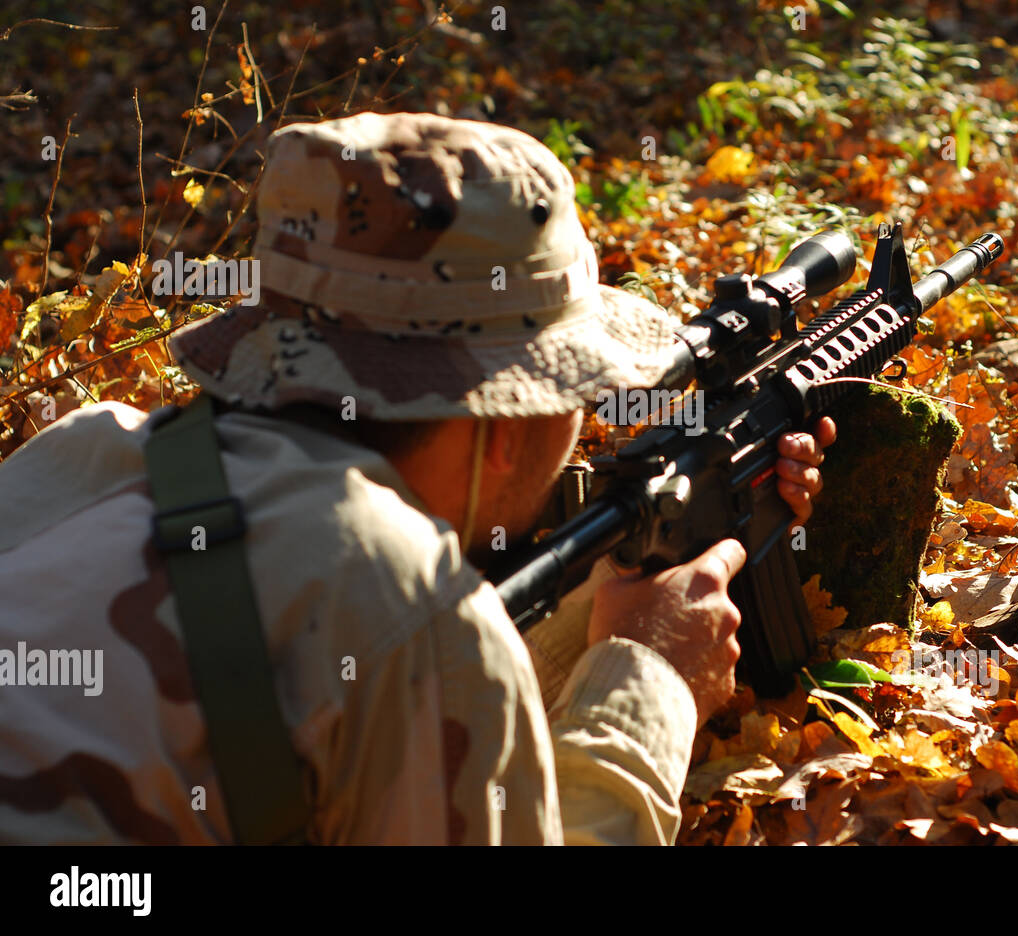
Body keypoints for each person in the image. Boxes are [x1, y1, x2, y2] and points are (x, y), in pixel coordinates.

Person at [0, 112, 834, 844]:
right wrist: (649, 678)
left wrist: (602, 596)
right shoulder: (417, 609)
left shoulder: (93, 455)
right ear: (509, 422)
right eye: (580, 391)